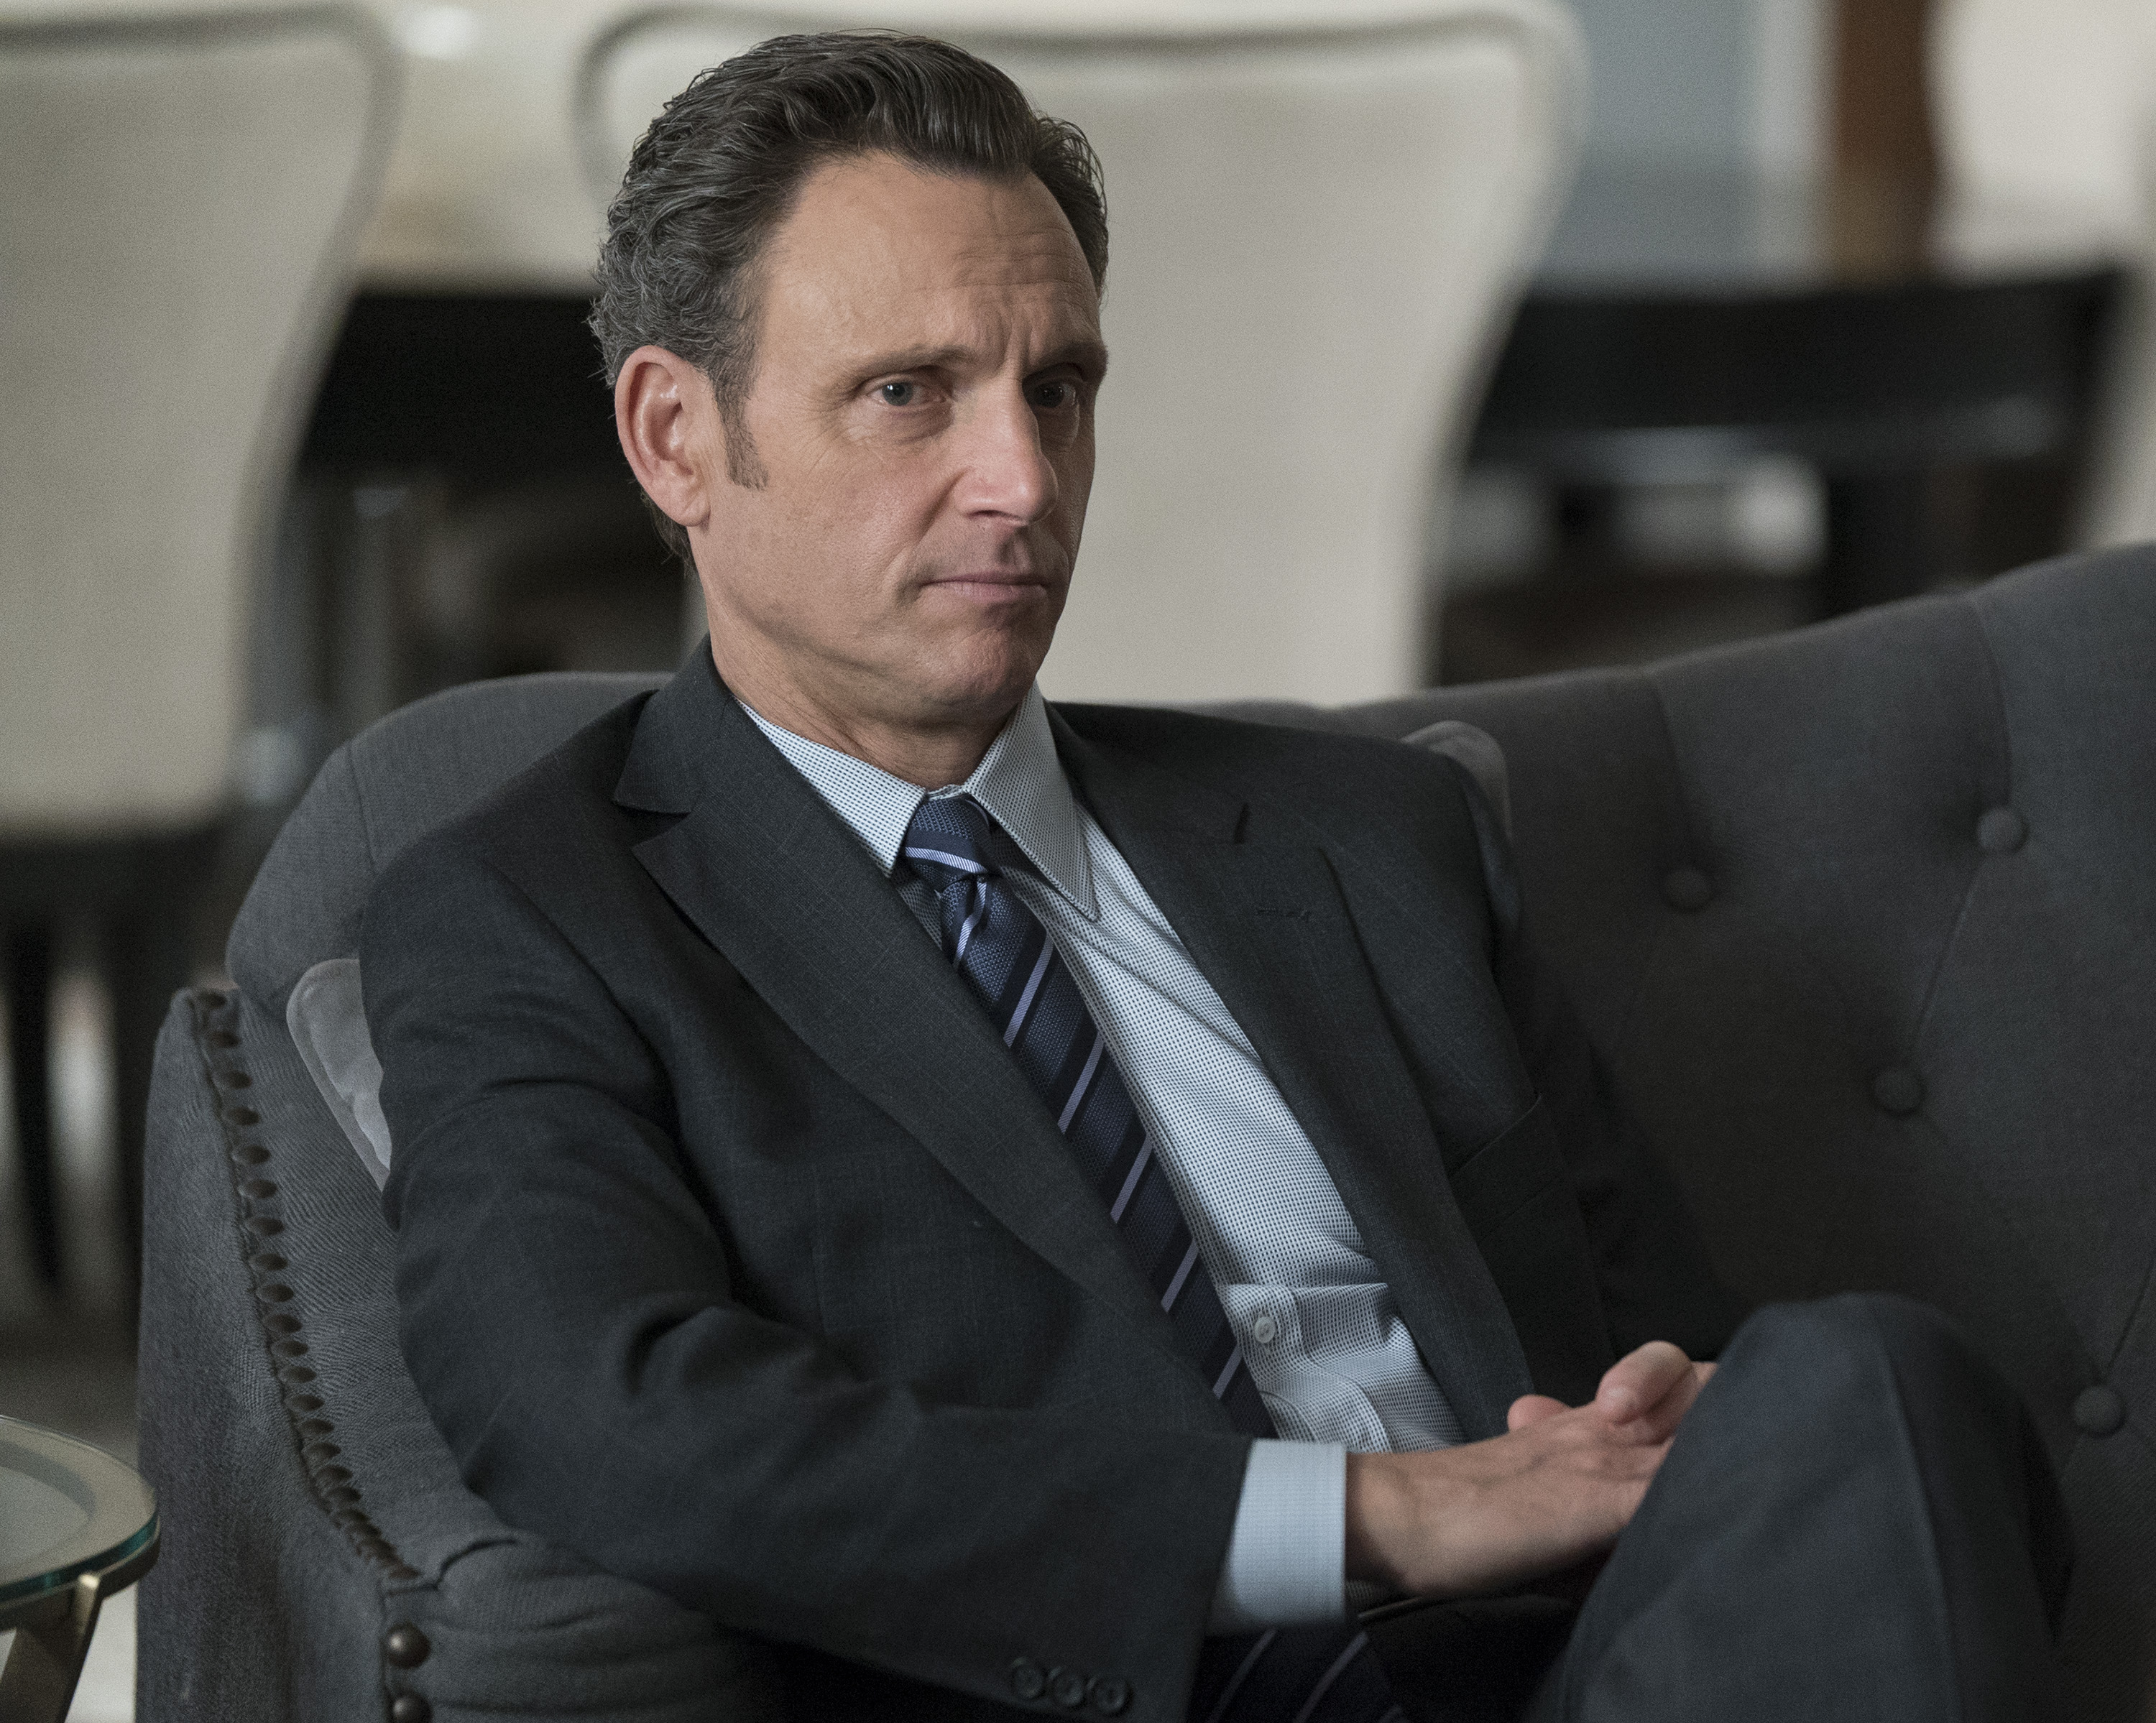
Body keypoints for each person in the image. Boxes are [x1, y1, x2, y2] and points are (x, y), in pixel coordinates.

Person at [361, 32, 2072, 1723]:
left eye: (1058, 389)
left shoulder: (1374, 840)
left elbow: (1680, 1381)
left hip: (1593, 1675)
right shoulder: (533, 913)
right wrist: (1370, 1514)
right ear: (676, 435)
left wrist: (1677, 1412)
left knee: (1870, 1376)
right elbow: (604, 1413)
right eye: (908, 392)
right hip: (1124, 1673)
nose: (1021, 480)